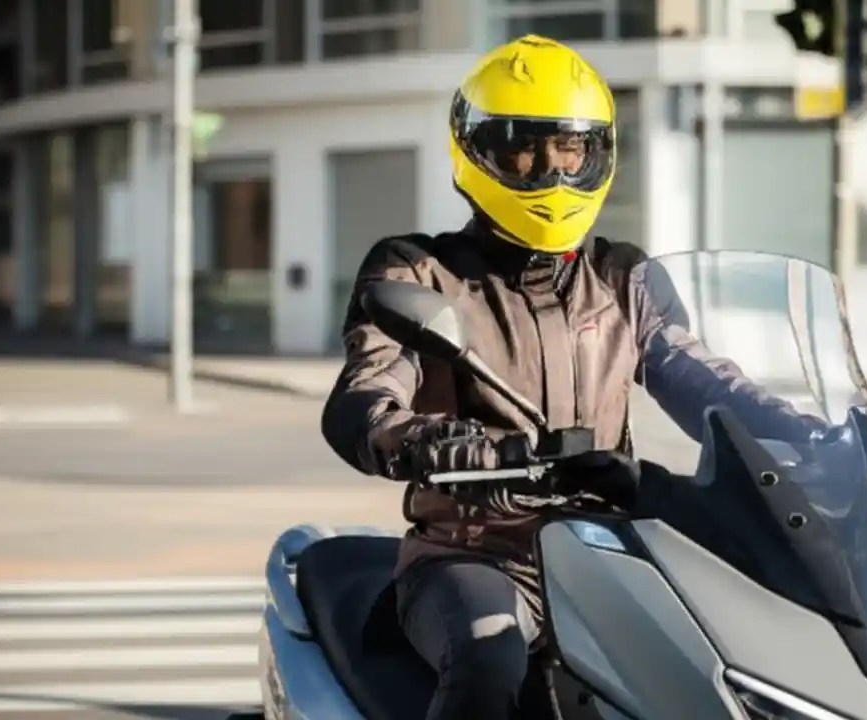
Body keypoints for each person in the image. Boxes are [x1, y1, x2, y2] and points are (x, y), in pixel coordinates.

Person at [321, 35, 822, 720]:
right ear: (477, 154)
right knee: (486, 654)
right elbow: (365, 398)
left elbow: (701, 377)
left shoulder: (623, 278)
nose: (552, 171)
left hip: (608, 552)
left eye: (571, 149)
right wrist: (434, 442)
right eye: (525, 149)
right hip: (476, 557)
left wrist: (803, 432)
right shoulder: (418, 271)